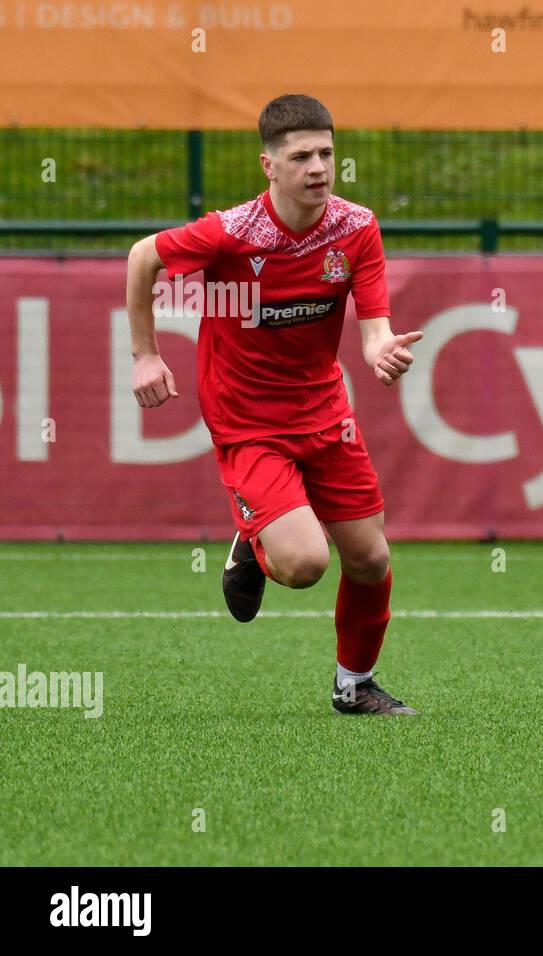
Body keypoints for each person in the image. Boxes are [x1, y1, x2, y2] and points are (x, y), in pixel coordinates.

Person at [125, 94, 422, 715]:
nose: (318, 167)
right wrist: (145, 355)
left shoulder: (356, 227)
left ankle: (354, 685)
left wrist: (380, 350)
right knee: (305, 564)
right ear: (269, 165)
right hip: (247, 421)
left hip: (323, 414)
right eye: (301, 156)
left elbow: (373, 327)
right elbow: (143, 255)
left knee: (370, 558)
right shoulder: (232, 233)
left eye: (327, 153)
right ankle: (252, 538)